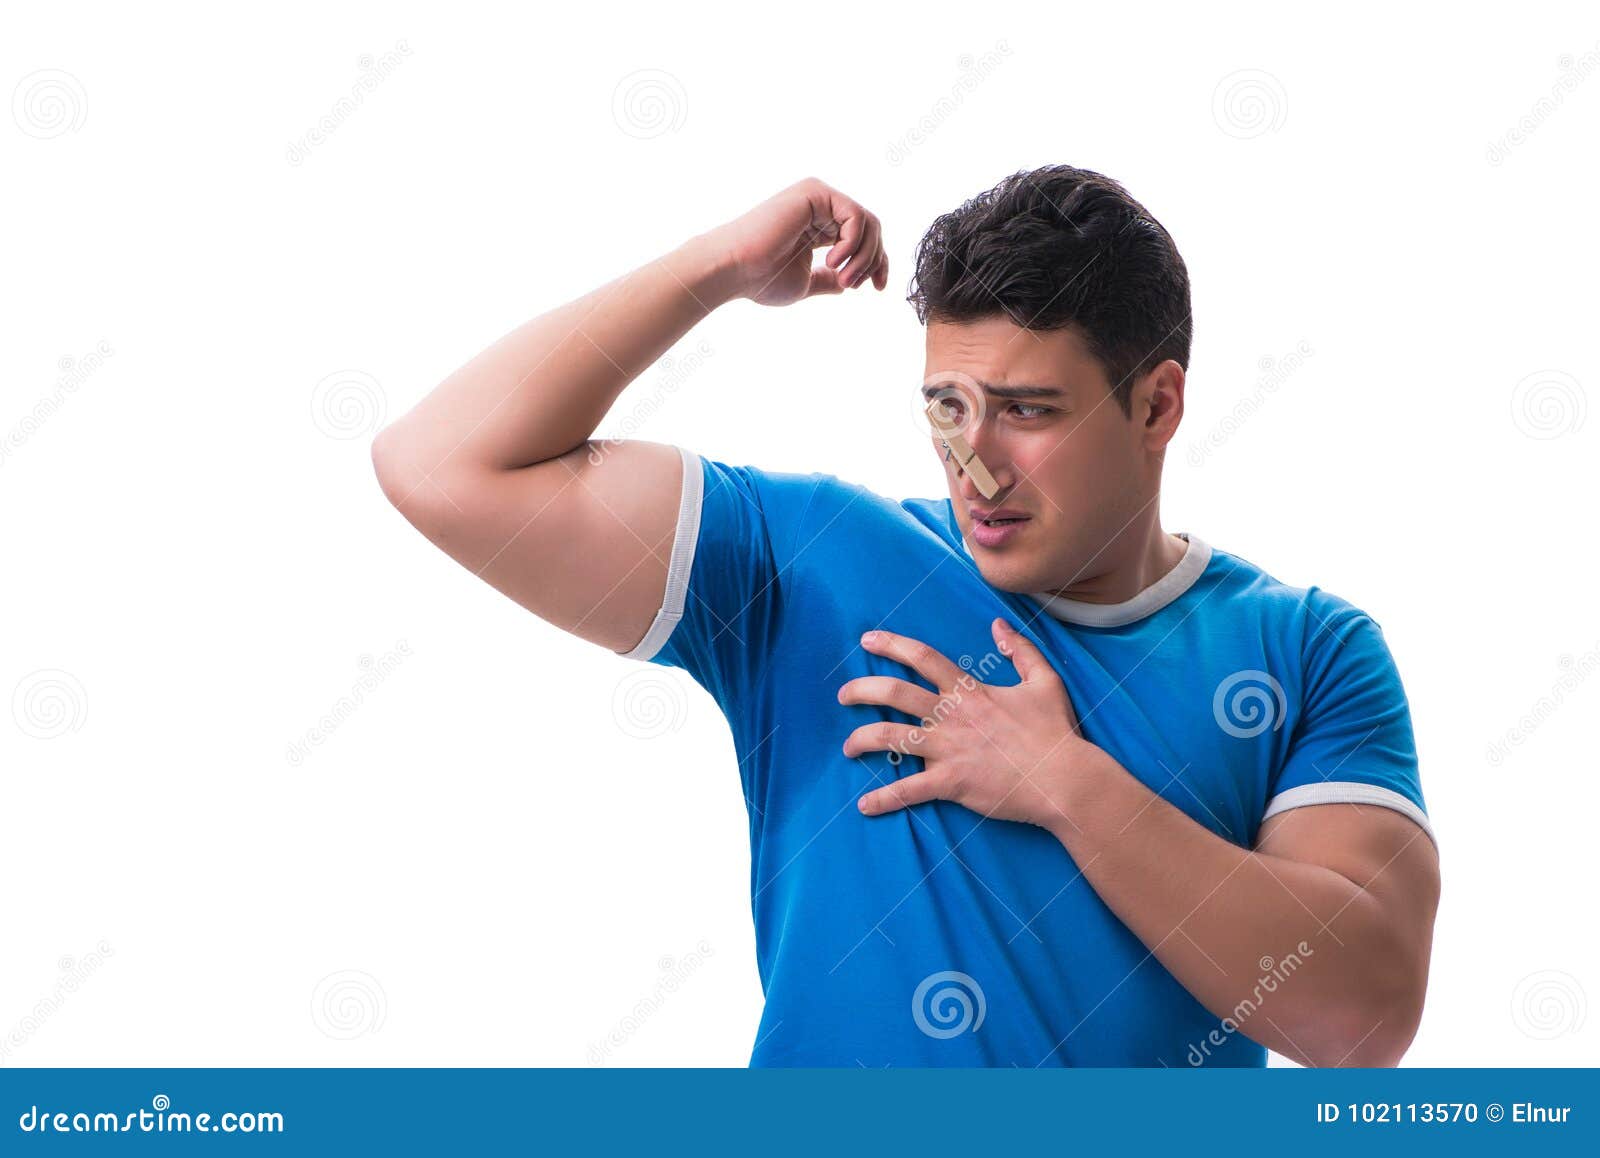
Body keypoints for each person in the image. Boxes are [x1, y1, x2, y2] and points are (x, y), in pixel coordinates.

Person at [371, 167, 1441, 1067]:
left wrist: (1065, 785)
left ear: (1156, 405)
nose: (978, 464)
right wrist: (715, 270)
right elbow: (442, 464)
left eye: (1027, 411)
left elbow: (1362, 1019)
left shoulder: (1305, 649)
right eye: (948, 407)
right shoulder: (813, 560)